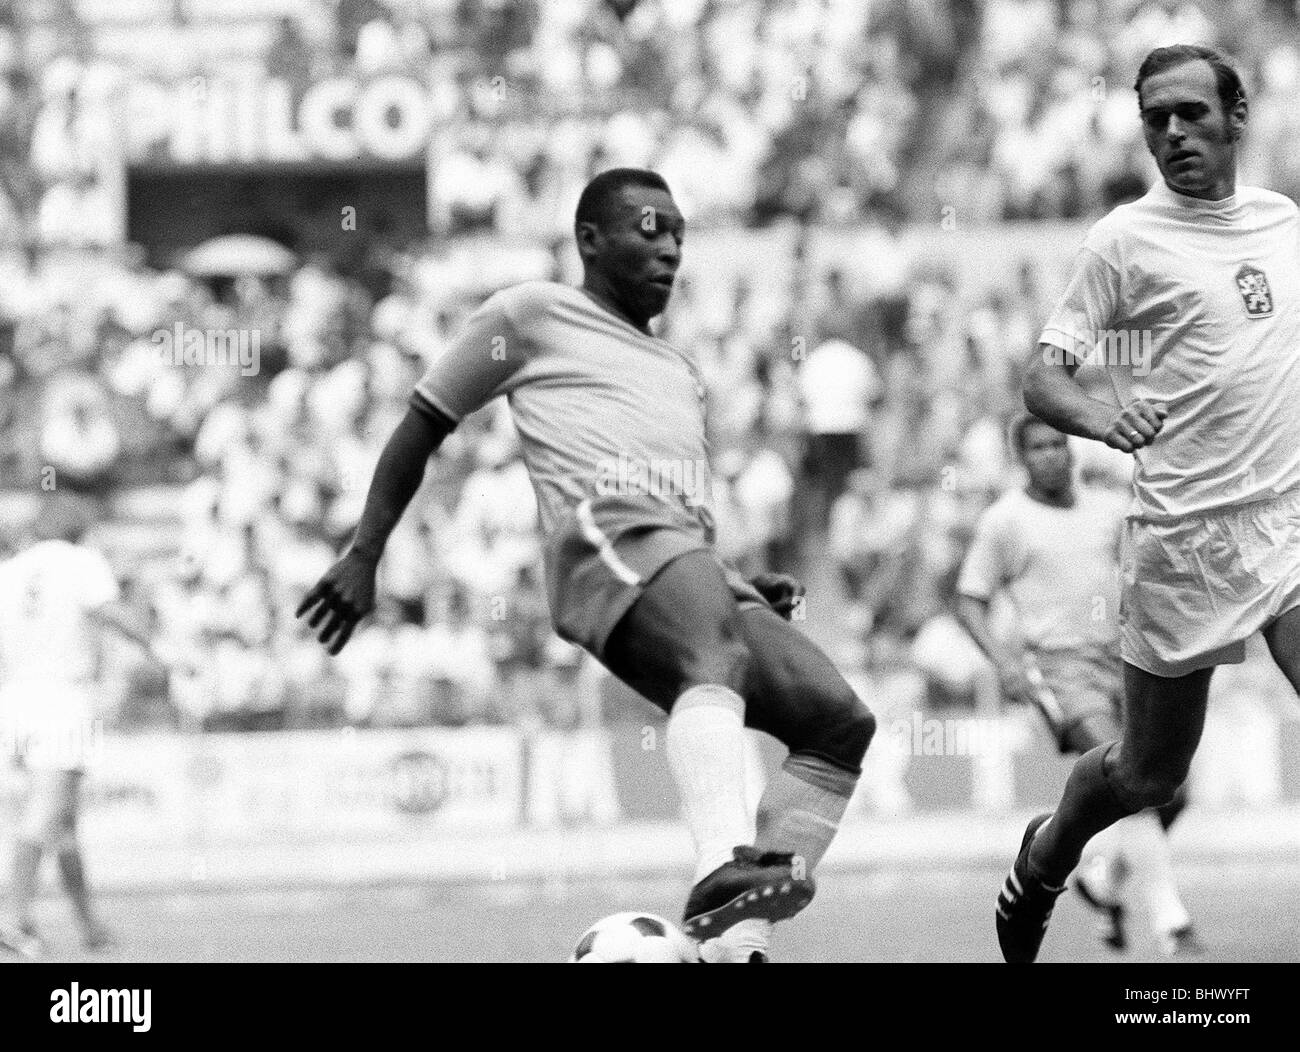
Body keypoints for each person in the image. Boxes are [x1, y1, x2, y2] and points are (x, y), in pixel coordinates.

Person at [298, 168, 876, 963]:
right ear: (589, 240)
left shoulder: (679, 371)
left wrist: (735, 580)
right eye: (650, 229)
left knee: (838, 721)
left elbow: (676, 515)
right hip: (601, 543)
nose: (670, 248)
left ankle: (735, 942)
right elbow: (423, 422)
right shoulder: (530, 314)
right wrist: (364, 554)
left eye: (679, 234)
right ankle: (721, 867)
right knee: (713, 649)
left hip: (680, 560)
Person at [996, 44, 1300, 963]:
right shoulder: (1124, 241)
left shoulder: (1284, 221)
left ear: (1236, 116)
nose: (1171, 132)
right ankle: (1045, 861)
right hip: (1183, 541)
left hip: (1284, 527)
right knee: (1148, 770)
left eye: (1191, 113)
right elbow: (1041, 380)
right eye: (1154, 117)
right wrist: (1101, 417)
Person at [959, 415, 1197, 955]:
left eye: (1057, 444)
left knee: (1171, 789)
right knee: (1132, 779)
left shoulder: (1109, 509)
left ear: (1071, 450)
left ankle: (1101, 881)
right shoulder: (1004, 522)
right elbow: (969, 598)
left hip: (1127, 659)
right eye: (1038, 447)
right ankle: (1170, 921)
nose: (1051, 455)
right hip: (1060, 669)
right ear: (1021, 458)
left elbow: (1143, 571)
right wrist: (1003, 662)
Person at [0, 495, 162, 957]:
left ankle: (89, 925)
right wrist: (157, 645)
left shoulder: (10, 570)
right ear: (78, 530)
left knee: (63, 823)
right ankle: (12, 915)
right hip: (63, 695)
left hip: (14, 697)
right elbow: (109, 613)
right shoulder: (80, 562)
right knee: (49, 810)